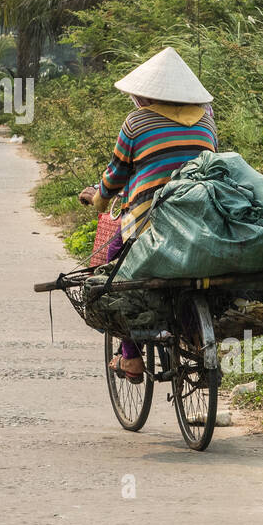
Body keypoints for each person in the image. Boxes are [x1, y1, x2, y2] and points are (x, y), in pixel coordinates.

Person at [78, 47, 217, 382]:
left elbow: (115, 176)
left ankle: (130, 358)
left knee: (114, 271)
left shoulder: (136, 122)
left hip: (149, 222)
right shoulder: (207, 118)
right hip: (204, 216)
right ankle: (198, 335)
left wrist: (97, 197)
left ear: (145, 95)